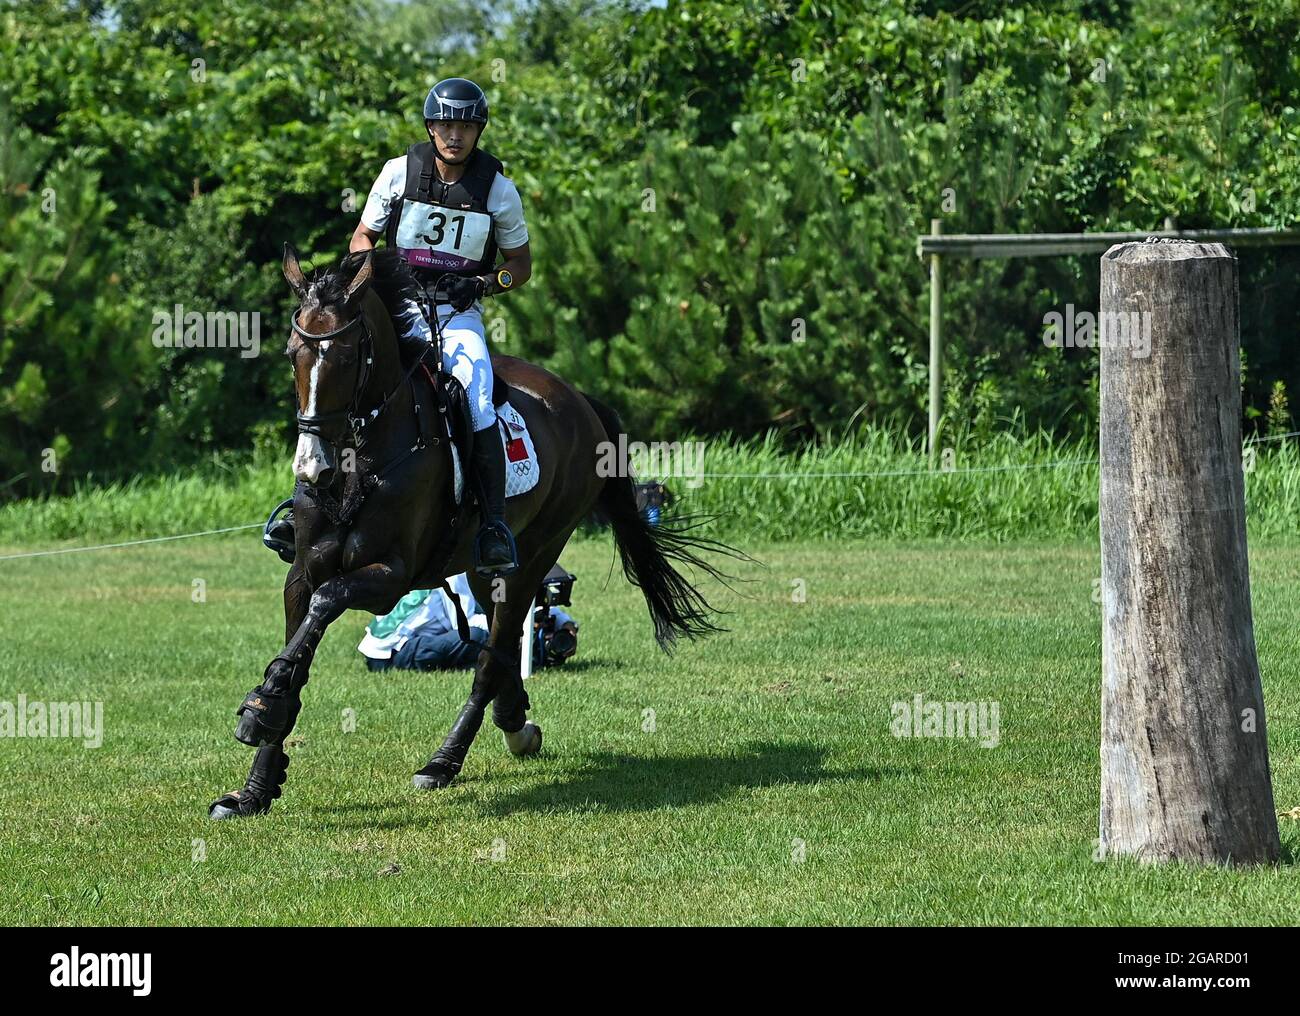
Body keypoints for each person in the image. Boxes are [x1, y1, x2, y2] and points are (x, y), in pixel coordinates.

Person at [266, 77, 530, 576]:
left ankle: (493, 524)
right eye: (445, 124)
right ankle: (298, 505)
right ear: (431, 127)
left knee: (474, 395)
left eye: (465, 127)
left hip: (457, 316)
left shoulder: (498, 190)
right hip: (395, 310)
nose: (455, 135)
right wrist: (368, 284)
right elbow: (363, 236)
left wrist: (484, 284)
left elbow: (519, 264)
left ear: (478, 131)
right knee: (335, 376)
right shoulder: (397, 173)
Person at [359, 572, 579, 671]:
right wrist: (518, 628)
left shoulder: (485, 570)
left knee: (485, 640)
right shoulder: (455, 574)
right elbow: (465, 625)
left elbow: (520, 599)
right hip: (388, 655)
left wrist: (565, 623)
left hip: (420, 641)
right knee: (475, 637)